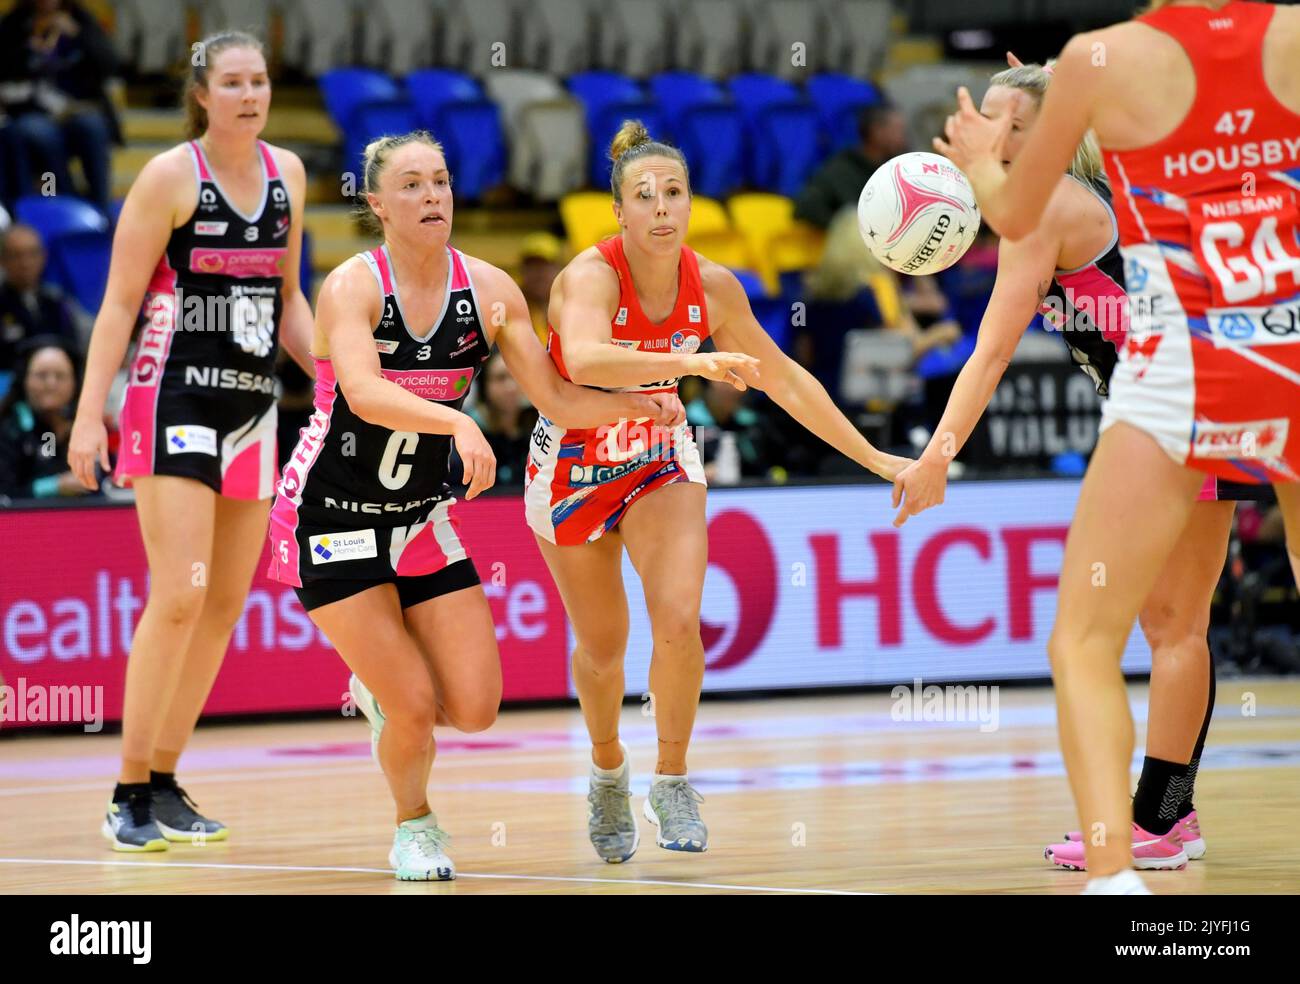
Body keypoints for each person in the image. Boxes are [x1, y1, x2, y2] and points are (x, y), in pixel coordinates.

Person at [934, 0, 1300, 893]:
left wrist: (990, 158)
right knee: (1175, 626)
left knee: (1108, 637)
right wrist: (1048, 95)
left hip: (1185, 384)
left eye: (999, 112)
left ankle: (1131, 855)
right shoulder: (1272, 45)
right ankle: (1165, 816)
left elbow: (992, 334)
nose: (985, 122)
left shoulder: (1082, 134)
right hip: (1278, 344)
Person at [265, 130, 686, 880]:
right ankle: (414, 825)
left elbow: (555, 396)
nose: (433, 197)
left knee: (478, 708)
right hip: (330, 521)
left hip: (423, 520)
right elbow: (362, 392)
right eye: (413, 186)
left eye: (442, 182)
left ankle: (381, 690)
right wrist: (460, 419)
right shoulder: (352, 287)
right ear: (377, 204)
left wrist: (636, 401)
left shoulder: (488, 291)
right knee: (416, 708)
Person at [528, 121, 910, 862]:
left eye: (674, 192)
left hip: (659, 456)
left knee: (678, 620)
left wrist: (875, 458)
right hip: (572, 466)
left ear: (691, 204)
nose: (662, 208)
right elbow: (583, 356)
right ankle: (608, 770)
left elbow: (787, 380)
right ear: (620, 212)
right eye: (645, 196)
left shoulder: (716, 285)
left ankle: (671, 779)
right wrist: (695, 367)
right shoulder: (589, 276)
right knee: (602, 650)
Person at [67, 31, 315, 852]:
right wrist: (82, 414)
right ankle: (126, 789)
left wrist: (340, 378)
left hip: (253, 409)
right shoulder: (171, 175)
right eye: (234, 82)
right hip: (169, 399)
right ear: (203, 93)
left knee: (221, 608)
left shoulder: (289, 176)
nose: (251, 95)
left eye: (262, 82)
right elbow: (117, 304)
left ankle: (166, 781)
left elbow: (289, 301)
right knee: (178, 593)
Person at [0, 0, 121, 207]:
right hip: (31, 111)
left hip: (77, 108)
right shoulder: (15, 23)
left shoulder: (81, 19)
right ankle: (67, 199)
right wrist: (28, 49)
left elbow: (110, 65)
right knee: (42, 134)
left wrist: (78, 34)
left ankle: (101, 208)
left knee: (93, 127)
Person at [0, 335, 96, 501]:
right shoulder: (11, 428)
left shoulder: (84, 426)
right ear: (25, 379)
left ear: (75, 382)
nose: (51, 384)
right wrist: (55, 486)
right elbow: (7, 491)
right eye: (41, 375)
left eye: (60, 376)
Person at [0, 223, 88, 367]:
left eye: (32, 253)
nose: (25, 263)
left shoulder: (58, 301)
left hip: (58, 381)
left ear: (43, 257)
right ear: (2, 260)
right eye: (16, 255)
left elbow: (84, 341)